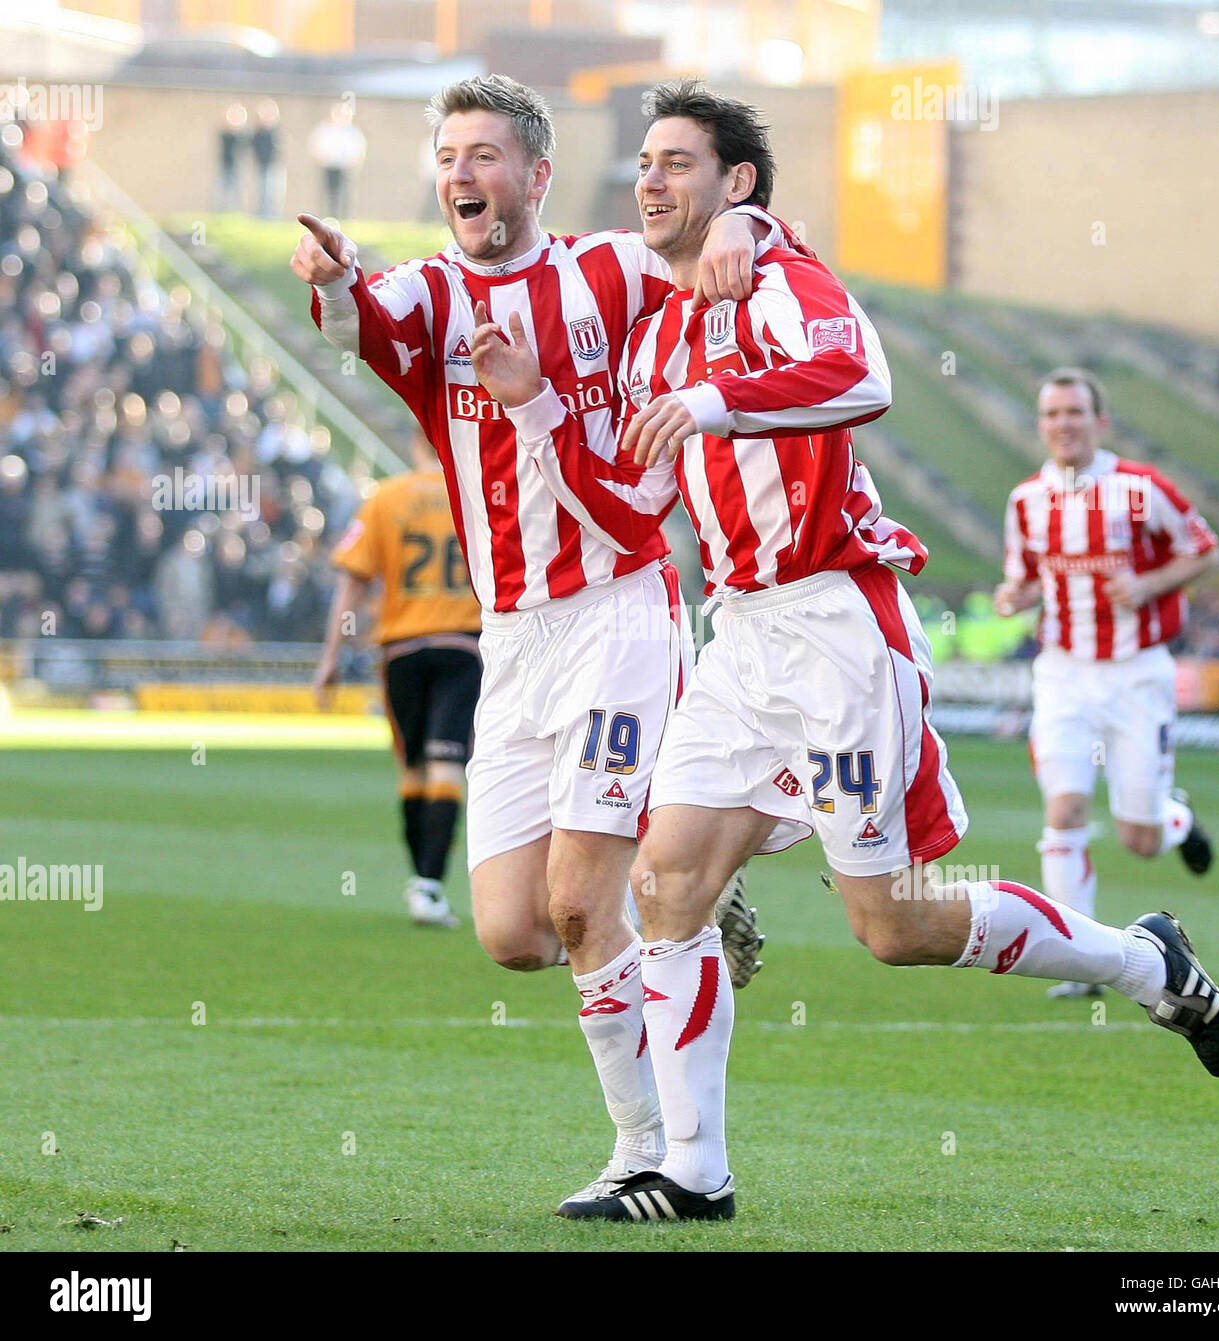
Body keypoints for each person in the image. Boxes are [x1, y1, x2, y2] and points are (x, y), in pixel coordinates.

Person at [472, 80, 1219, 1223]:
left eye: (677, 164)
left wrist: (722, 382)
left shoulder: (782, 282)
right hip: (741, 636)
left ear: (736, 185)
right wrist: (535, 410)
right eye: (642, 162)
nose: (648, 180)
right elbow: (628, 501)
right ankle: (689, 1171)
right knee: (667, 879)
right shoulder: (655, 335)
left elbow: (861, 381)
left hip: (837, 627)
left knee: (893, 926)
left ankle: (1144, 963)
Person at [292, 74, 775, 1213]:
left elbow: (717, 223)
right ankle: (694, 880)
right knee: (514, 934)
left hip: (617, 609)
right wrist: (333, 270)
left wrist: (746, 222)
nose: (464, 175)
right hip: (507, 636)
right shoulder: (431, 294)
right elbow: (366, 306)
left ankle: (651, 1154)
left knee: (576, 905)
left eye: (487, 155)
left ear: (538, 176)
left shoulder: (606, 269)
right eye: (450, 155)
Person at [994, 370, 1219, 997]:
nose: (1063, 424)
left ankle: (1174, 821)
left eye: (1074, 412)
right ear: (1041, 425)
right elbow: (1030, 577)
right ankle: (1083, 964)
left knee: (1138, 839)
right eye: (1051, 414)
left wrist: (1150, 585)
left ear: (1100, 421)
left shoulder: (1142, 489)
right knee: (1063, 810)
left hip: (1136, 673)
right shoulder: (1026, 501)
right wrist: (1016, 595)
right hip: (1063, 672)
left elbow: (1206, 549)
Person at [314, 430, 482, 928]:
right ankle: (428, 887)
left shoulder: (384, 499)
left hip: (402, 650)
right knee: (448, 764)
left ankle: (421, 884)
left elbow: (352, 583)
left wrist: (330, 657)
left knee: (412, 769)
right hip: (463, 646)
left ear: (415, 443)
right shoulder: (473, 492)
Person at [308, 101, 366, 220]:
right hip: (330, 166)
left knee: (346, 195)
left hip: (346, 167)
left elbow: (359, 150)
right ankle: (329, 217)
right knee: (330, 195)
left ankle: (345, 218)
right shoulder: (325, 129)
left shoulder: (352, 132)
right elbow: (316, 147)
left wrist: (354, 162)